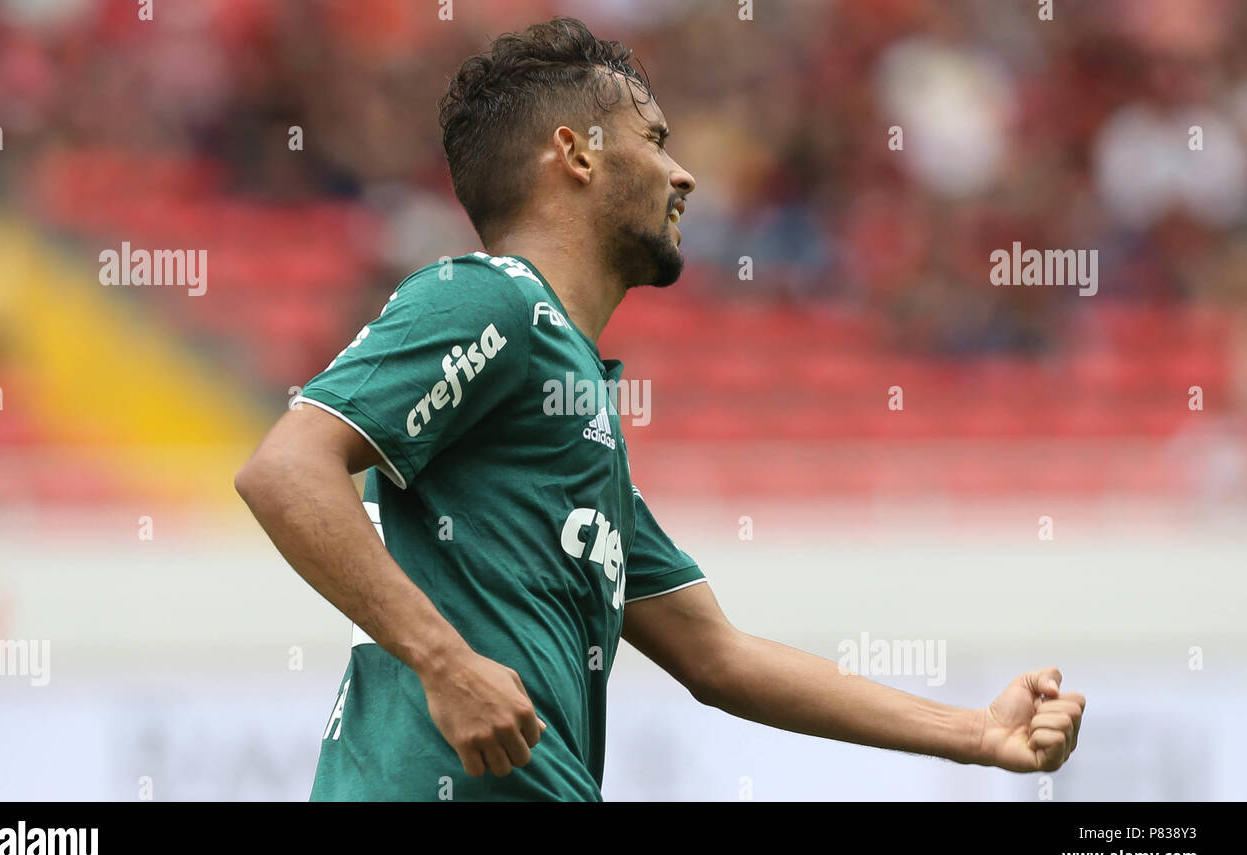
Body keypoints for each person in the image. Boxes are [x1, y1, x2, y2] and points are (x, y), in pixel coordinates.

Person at [235, 16, 1084, 801]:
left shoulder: (571, 410)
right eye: (656, 140)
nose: (684, 175)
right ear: (576, 153)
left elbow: (719, 656)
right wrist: (444, 660)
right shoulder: (487, 299)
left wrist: (974, 731)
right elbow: (284, 468)